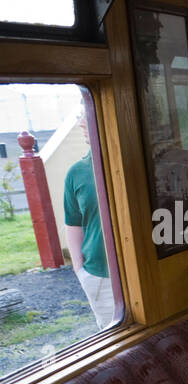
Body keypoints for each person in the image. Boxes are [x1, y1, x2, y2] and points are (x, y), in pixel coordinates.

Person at [63, 120, 115, 331]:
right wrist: (80, 270)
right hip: (101, 278)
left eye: (86, 115)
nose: (80, 123)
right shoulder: (77, 172)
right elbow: (73, 223)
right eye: (79, 116)